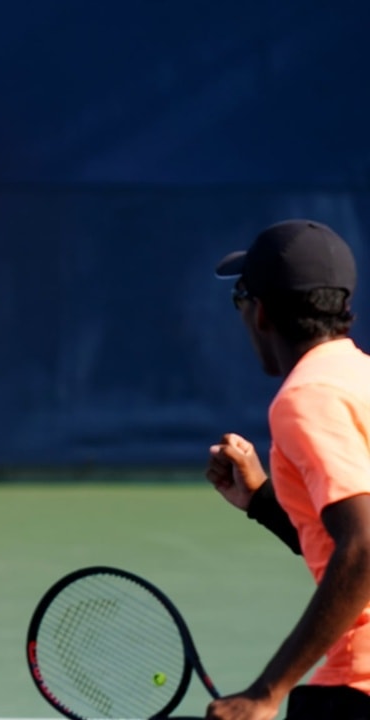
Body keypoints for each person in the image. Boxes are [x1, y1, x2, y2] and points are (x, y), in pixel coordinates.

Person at [204, 219, 370, 720]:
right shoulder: (359, 378)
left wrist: (266, 691)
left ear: (262, 314)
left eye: (241, 298)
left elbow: (363, 546)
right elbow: (336, 537)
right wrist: (261, 500)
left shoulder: (305, 399)